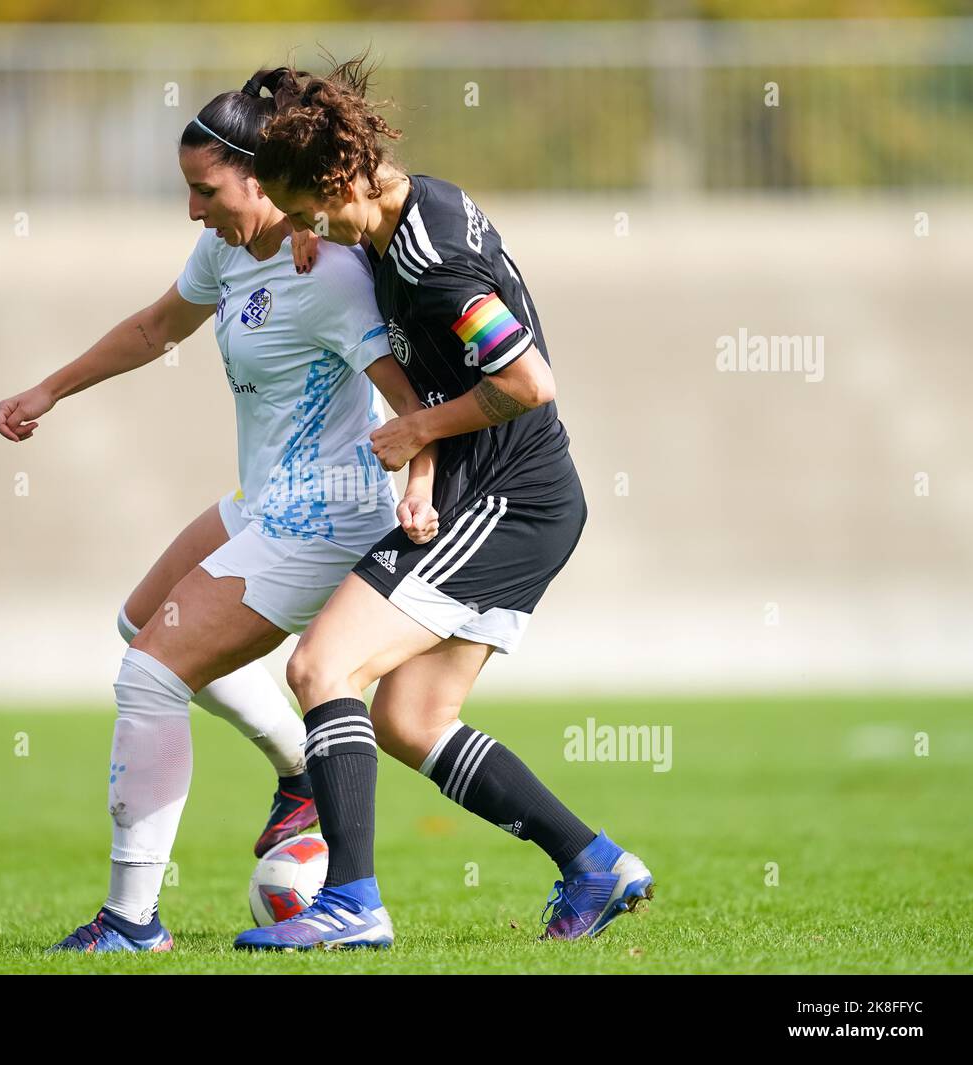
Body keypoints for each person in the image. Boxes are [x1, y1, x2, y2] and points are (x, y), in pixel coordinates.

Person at [0, 69, 438, 954]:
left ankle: (130, 922)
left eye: (205, 190)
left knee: (152, 674)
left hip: (328, 511)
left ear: (259, 175)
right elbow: (159, 327)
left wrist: (421, 477)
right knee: (136, 626)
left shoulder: (333, 270)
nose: (193, 211)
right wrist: (51, 388)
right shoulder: (230, 250)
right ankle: (300, 769)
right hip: (262, 498)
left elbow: (410, 392)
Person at [233, 58, 654, 950]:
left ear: (340, 178)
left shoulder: (434, 264)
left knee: (319, 670)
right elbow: (437, 360)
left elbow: (527, 381)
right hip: (491, 486)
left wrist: (417, 432)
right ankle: (594, 863)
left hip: (511, 495)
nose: (302, 231)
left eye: (306, 212)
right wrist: (324, 235)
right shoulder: (404, 208)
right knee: (409, 720)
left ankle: (351, 902)